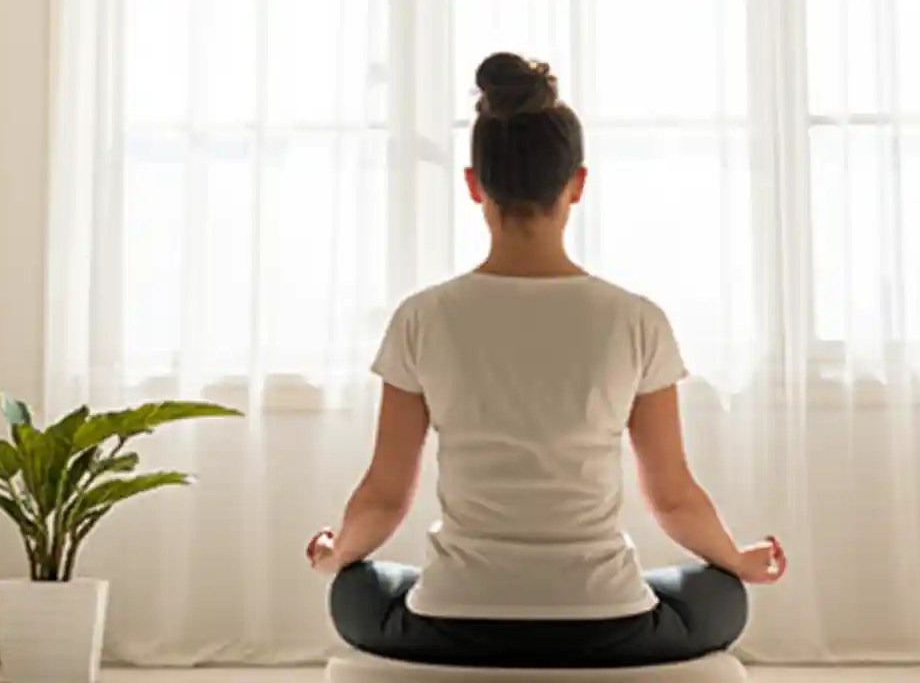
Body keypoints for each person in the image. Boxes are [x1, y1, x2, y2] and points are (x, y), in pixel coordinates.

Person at [305, 52, 788, 669]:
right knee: (720, 593)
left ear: (474, 183)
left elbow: (385, 493)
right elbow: (672, 497)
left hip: (451, 626)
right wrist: (738, 560)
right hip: (607, 626)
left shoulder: (421, 317)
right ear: (577, 183)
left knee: (355, 589)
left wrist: (335, 552)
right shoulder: (636, 318)